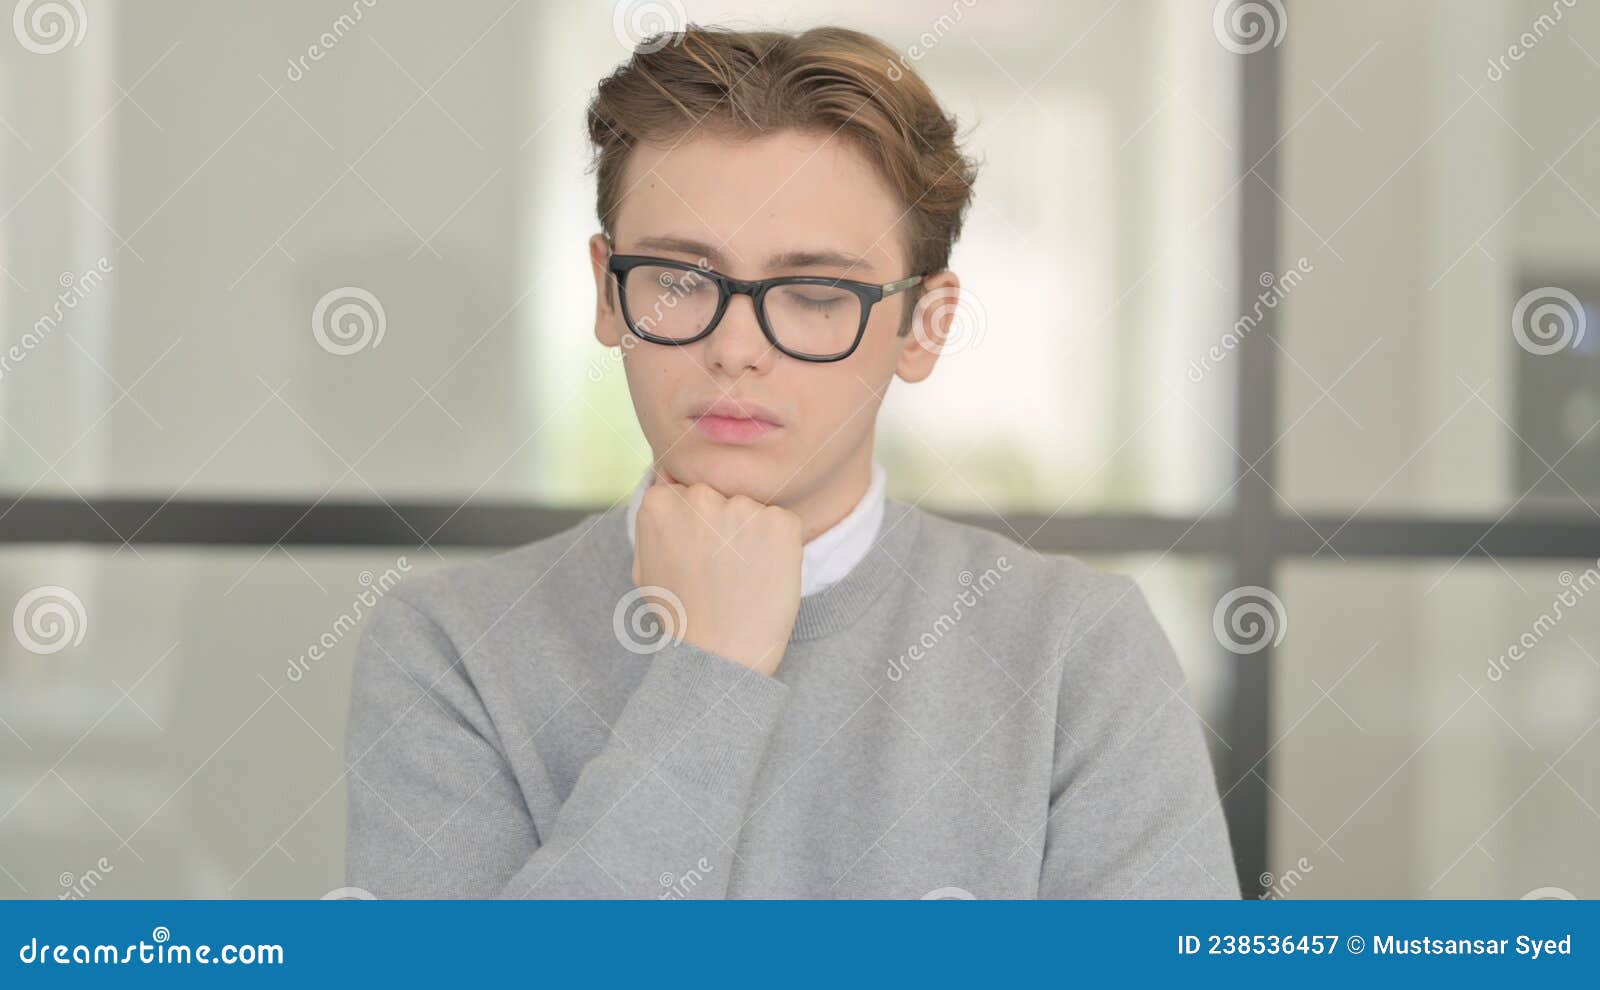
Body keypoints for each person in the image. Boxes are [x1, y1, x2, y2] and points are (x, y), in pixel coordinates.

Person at [344, 23, 1238, 899]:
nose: (736, 349)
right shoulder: (451, 647)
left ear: (923, 328)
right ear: (608, 295)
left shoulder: (1077, 650)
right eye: (680, 279)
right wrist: (713, 671)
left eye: (814, 292)